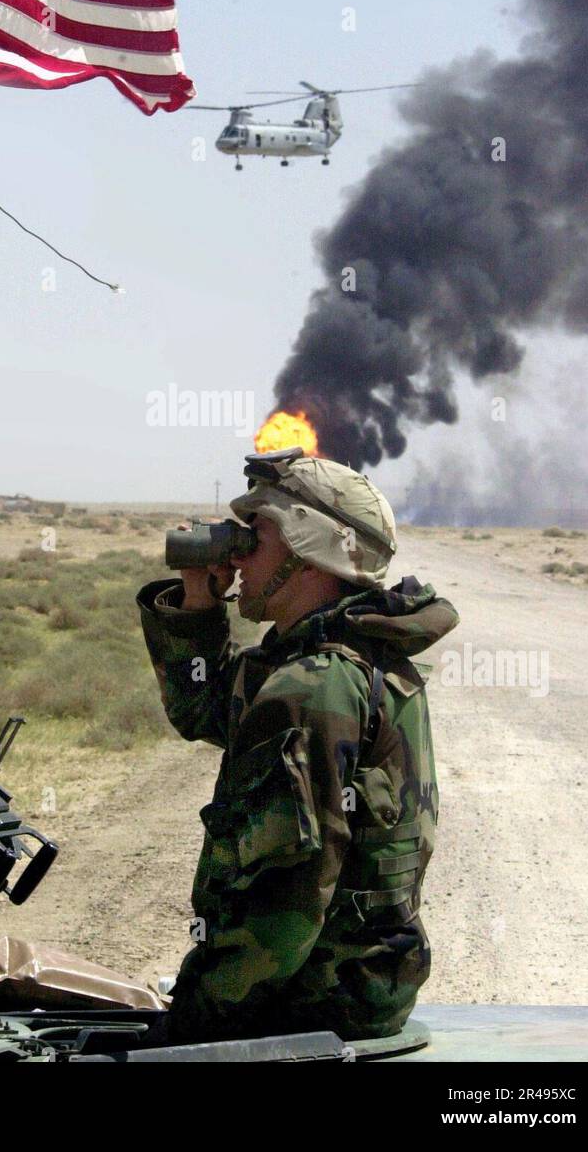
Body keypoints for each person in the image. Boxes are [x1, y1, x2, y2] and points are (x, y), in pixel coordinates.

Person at [136, 447, 459, 1045]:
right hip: (360, 988)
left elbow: (283, 914)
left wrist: (193, 1026)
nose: (237, 551)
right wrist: (199, 602)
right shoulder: (339, 655)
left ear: (309, 548)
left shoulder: (315, 685)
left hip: (310, 1006)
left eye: (255, 536)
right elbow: (204, 708)